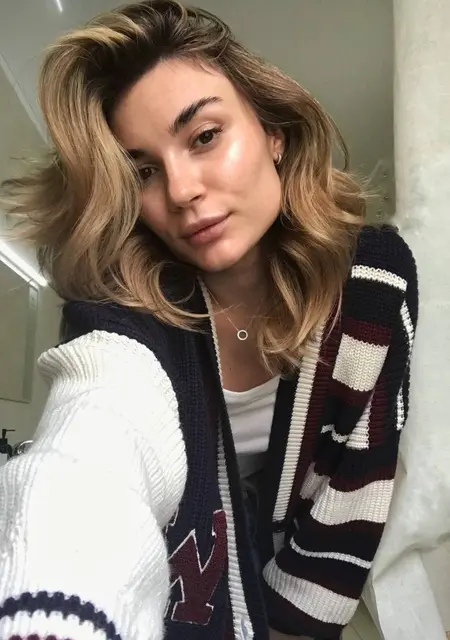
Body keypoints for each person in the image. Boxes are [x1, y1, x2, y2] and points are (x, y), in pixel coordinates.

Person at [0, 1, 418, 639]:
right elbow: (91, 452)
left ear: (273, 132)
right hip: (188, 564)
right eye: (143, 170)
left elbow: (355, 481)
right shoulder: (123, 316)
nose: (181, 190)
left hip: (296, 564)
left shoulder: (374, 281)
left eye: (203, 137)